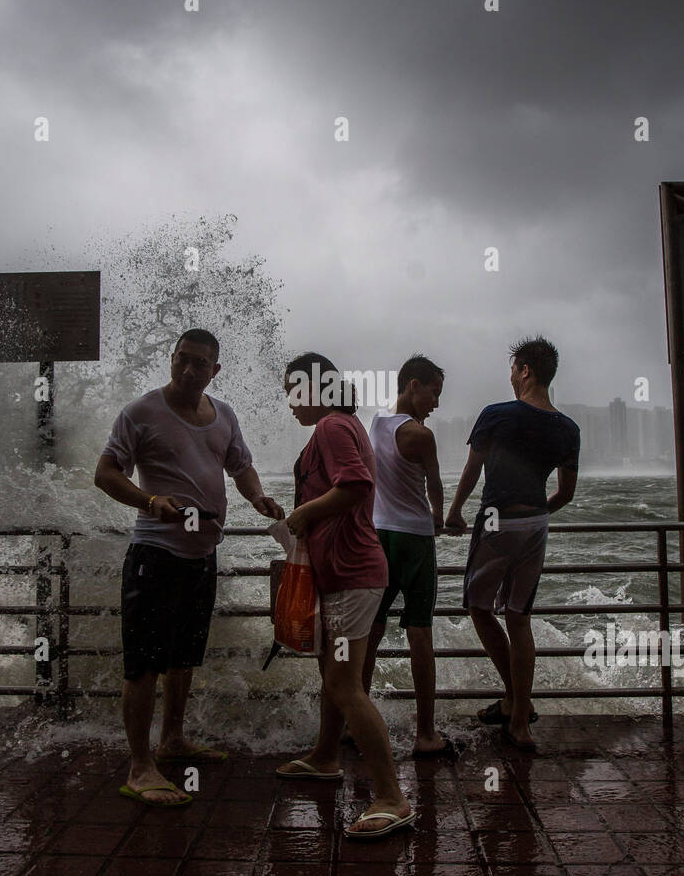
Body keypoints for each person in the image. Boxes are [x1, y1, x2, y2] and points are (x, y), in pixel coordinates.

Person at [94, 328, 284, 807]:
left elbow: (241, 467)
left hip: (202, 555)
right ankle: (140, 768)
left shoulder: (224, 416)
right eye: (182, 359)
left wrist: (258, 497)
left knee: (182, 658)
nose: (189, 369)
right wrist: (150, 499)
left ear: (215, 371)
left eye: (201, 363)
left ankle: (173, 739)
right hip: (154, 556)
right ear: (171, 358)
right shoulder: (140, 412)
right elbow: (106, 473)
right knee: (143, 665)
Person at [275, 353, 414, 838]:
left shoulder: (334, 426)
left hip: (353, 572)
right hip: (340, 571)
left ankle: (392, 797)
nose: (288, 401)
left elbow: (356, 485)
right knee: (331, 676)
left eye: (293, 390)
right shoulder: (340, 424)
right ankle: (326, 756)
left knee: (345, 684)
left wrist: (304, 515)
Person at [445, 336, 580, 751]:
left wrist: (454, 512)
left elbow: (472, 472)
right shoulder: (568, 428)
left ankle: (514, 698)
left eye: (513, 369)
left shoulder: (497, 415)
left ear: (525, 370)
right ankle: (518, 719)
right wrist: (535, 516)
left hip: (496, 518)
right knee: (518, 618)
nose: (510, 376)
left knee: (478, 607)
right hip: (537, 521)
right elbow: (566, 493)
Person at [361, 355, 456, 756]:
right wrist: (441, 516)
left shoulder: (376, 423)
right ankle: (425, 734)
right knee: (419, 633)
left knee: (371, 631)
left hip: (379, 535)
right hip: (415, 538)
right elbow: (434, 485)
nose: (435, 402)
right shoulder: (421, 436)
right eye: (433, 392)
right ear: (413, 385)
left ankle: (356, 722)